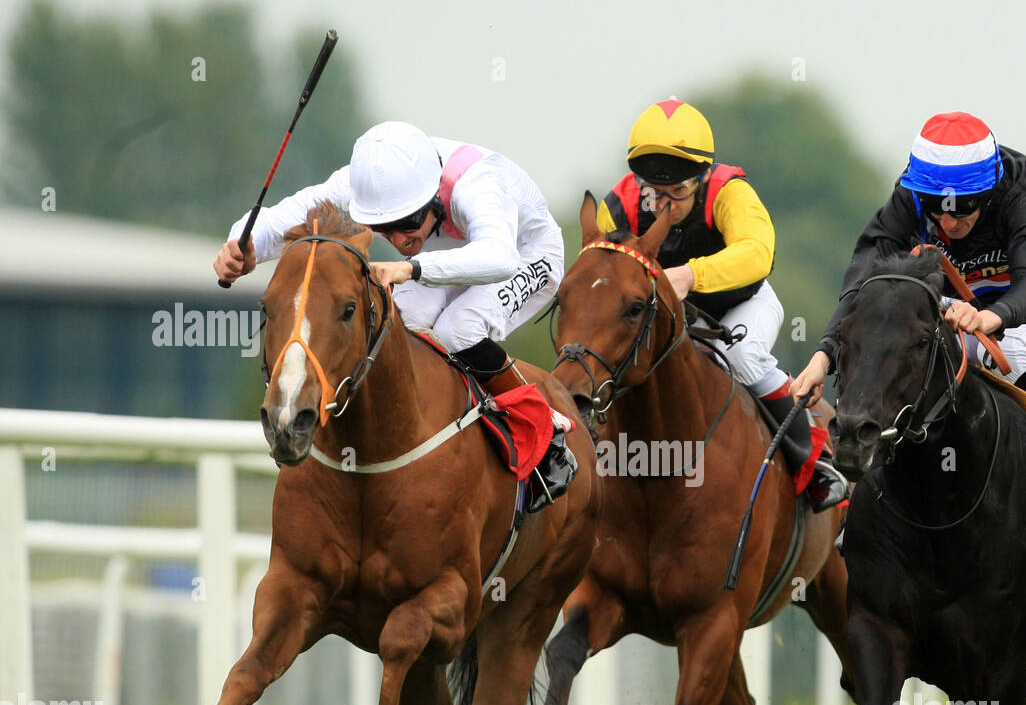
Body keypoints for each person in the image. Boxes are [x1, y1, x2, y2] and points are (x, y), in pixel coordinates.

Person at [793, 111, 1026, 553]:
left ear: (987, 192)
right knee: (907, 346)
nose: (949, 223)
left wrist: (993, 316)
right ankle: (866, 489)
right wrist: (825, 353)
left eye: (963, 209)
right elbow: (862, 289)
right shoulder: (910, 198)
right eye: (936, 210)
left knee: (1004, 350)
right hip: (958, 304)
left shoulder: (1023, 195)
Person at [214, 120, 576, 509]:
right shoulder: (364, 181)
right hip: (448, 252)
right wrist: (242, 245)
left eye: (406, 222)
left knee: (460, 329)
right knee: (402, 324)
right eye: (382, 227)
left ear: (433, 195)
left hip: (525, 254)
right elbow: (277, 218)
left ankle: (546, 433)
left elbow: (499, 257)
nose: (400, 240)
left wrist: (411, 268)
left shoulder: (478, 185)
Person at [596, 99, 848, 511]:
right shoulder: (616, 209)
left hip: (741, 307)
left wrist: (689, 276)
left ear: (702, 176)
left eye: (677, 192)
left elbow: (757, 252)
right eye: (653, 193)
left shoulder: (729, 192)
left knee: (743, 354)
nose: (664, 205)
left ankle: (816, 463)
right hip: (666, 320)